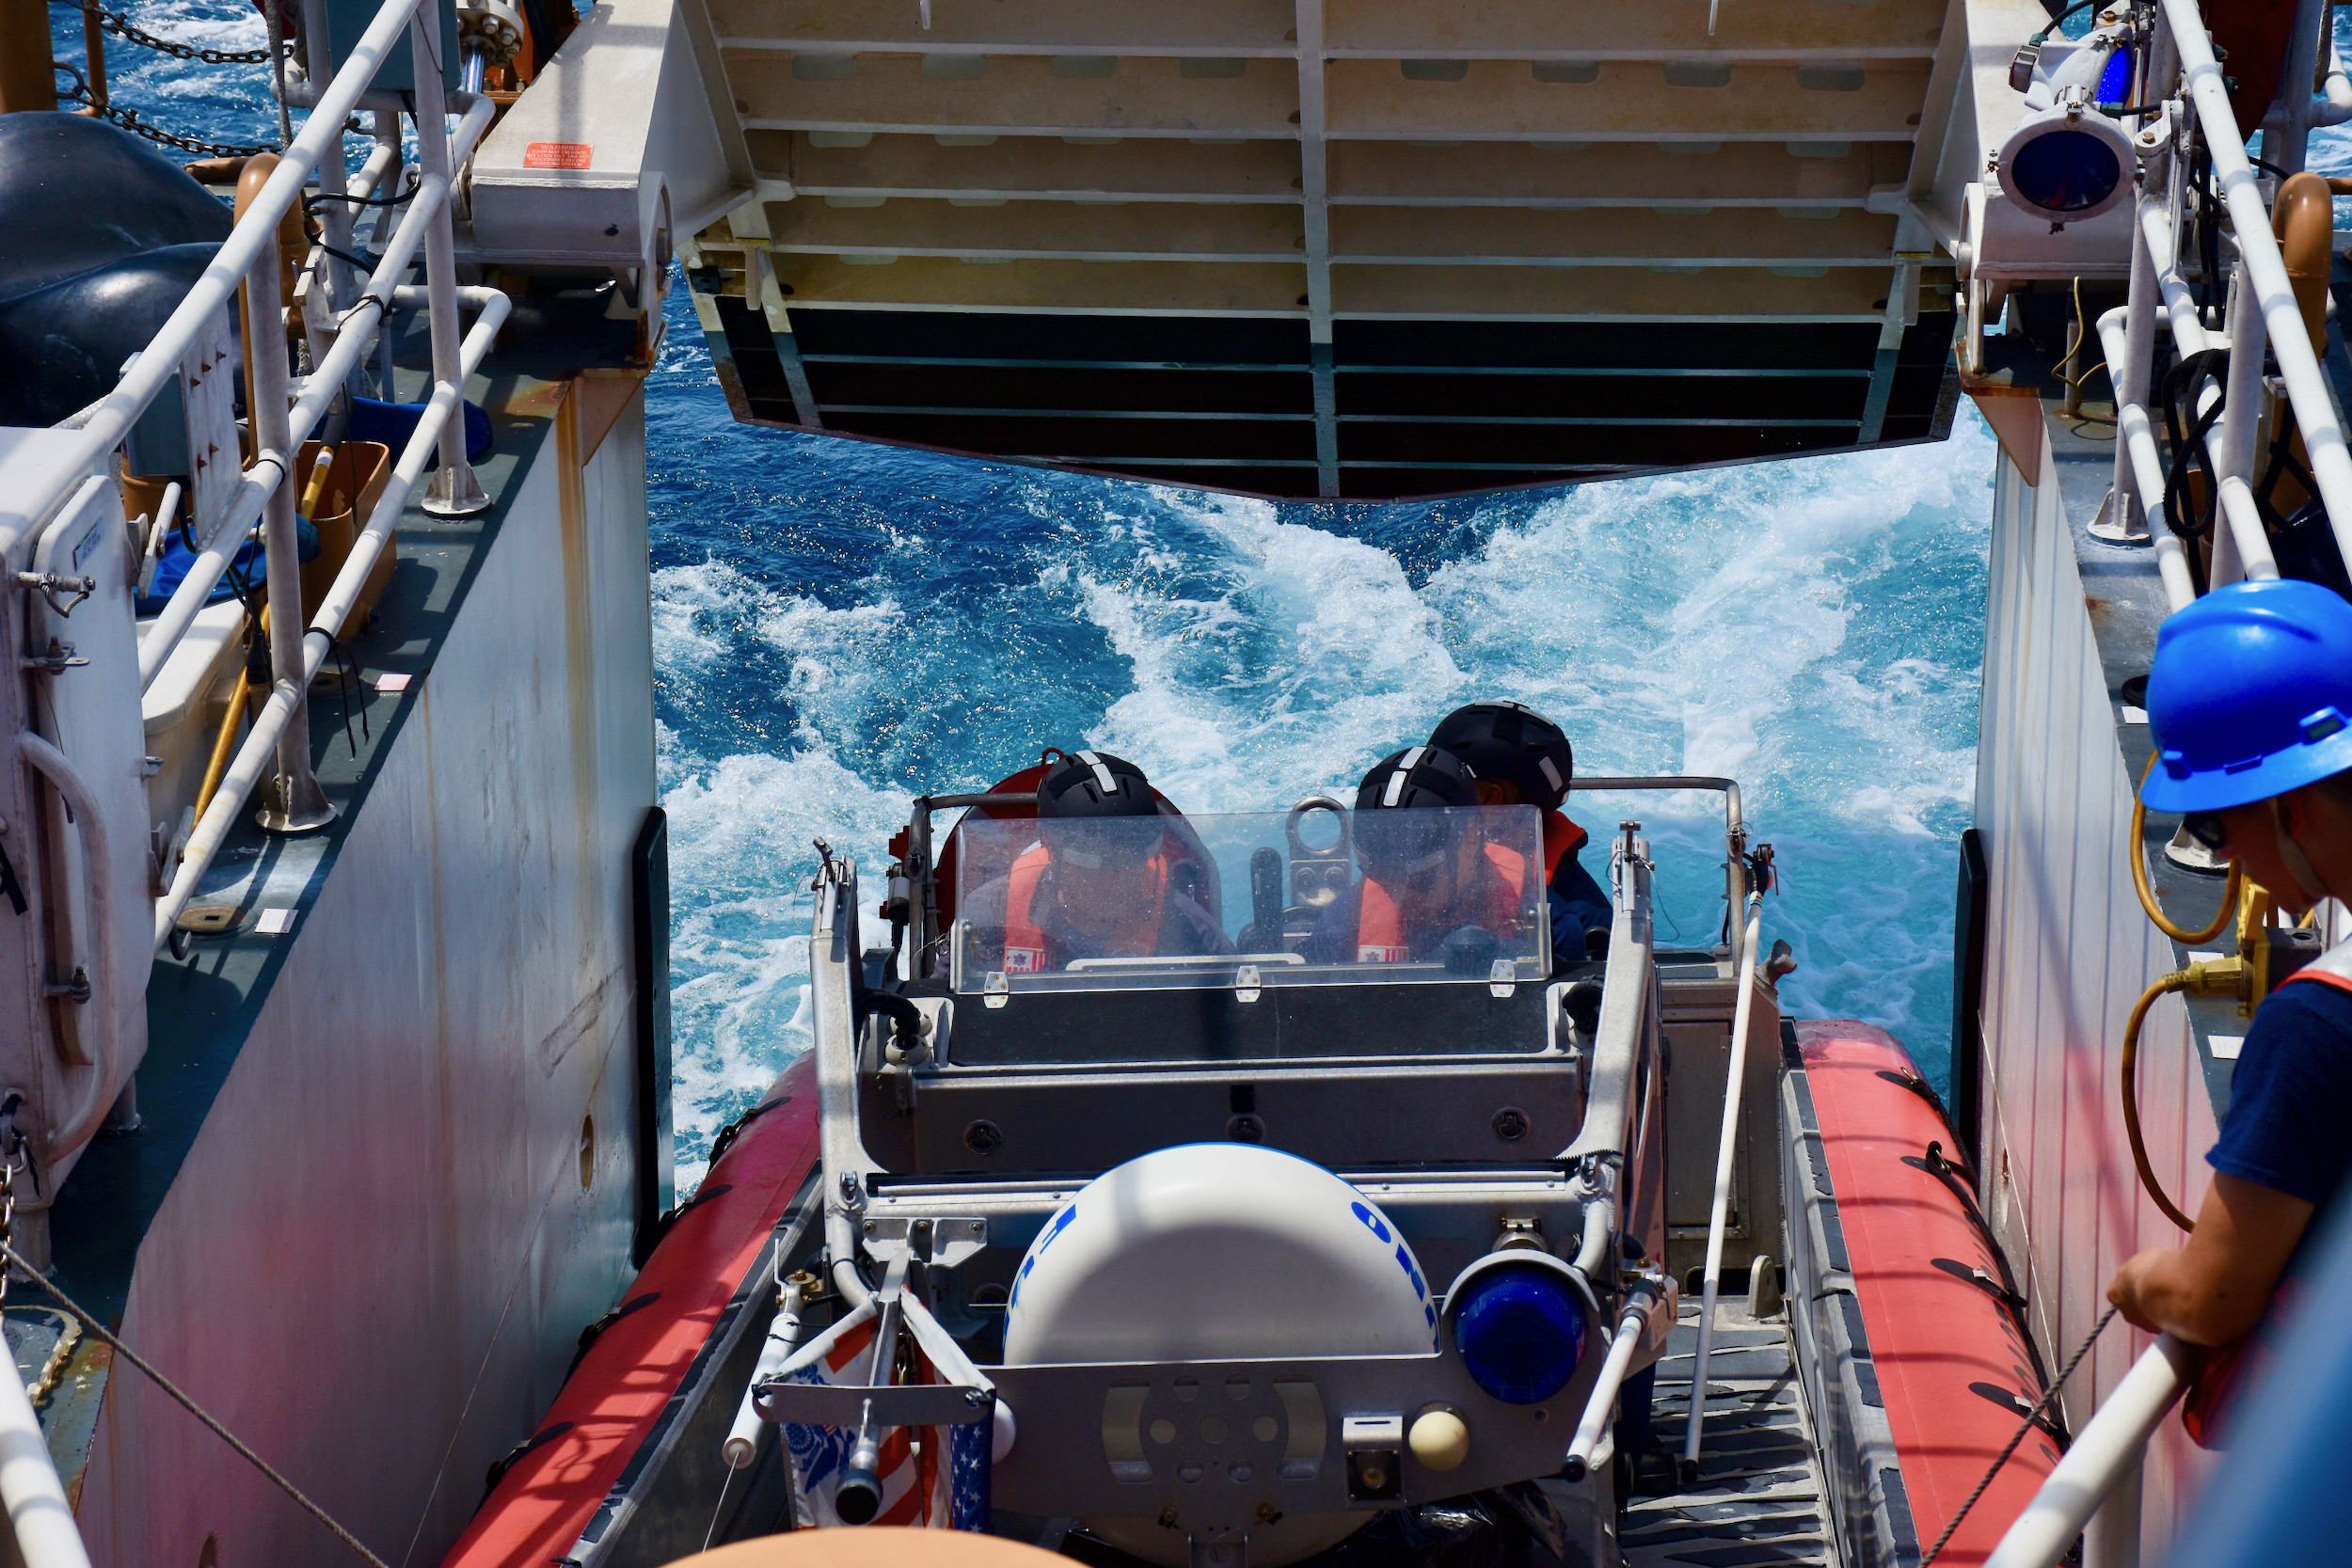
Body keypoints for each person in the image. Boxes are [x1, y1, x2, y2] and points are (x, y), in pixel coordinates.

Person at [2106, 579, 2352, 1436]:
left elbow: (2206, 1298)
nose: (2229, 861)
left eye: (2214, 827)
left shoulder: (2319, 1024)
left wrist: (2137, 1280)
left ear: (2287, 805)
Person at [961, 750, 1230, 974]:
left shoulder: (1188, 927)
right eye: (1097, 866)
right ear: (1051, 850)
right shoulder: (990, 913)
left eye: (1130, 862)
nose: (1118, 880)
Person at [1304, 746, 1536, 969]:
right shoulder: (1340, 927)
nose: (1400, 896)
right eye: (1383, 877)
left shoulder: (1539, 917)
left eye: (1420, 881)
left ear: (1471, 840)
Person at [1429, 700, 1613, 966]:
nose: (1433, 799)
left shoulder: (1587, 924)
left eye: (1450, 784)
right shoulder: (1419, 866)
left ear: (1491, 798)